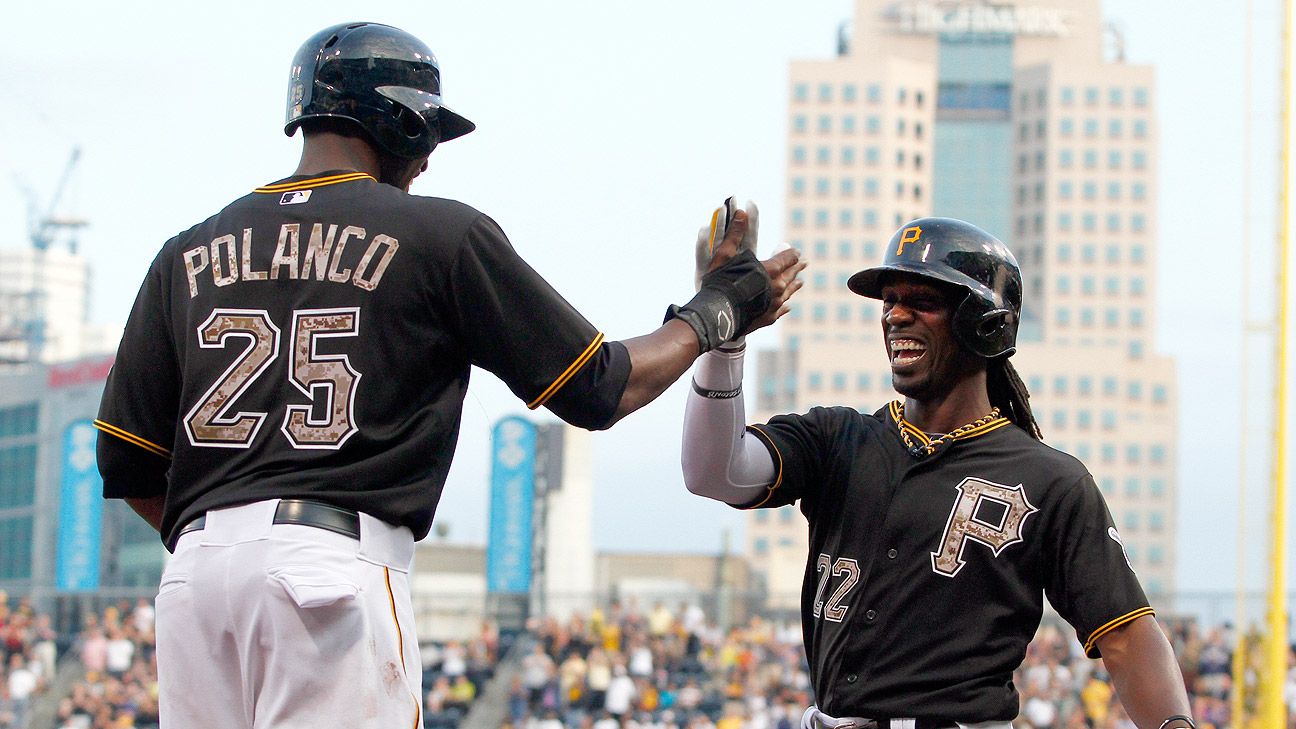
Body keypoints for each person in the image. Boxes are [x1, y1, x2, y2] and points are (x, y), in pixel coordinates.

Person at [93, 21, 802, 729]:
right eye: (427, 132)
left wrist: (233, 540)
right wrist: (716, 310)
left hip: (193, 577)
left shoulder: (184, 251)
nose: (428, 159)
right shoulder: (435, 235)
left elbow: (124, 460)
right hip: (329, 564)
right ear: (399, 121)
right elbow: (601, 387)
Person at [680, 217, 1193, 729]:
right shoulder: (838, 439)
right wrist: (724, 338)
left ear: (983, 321)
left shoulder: (1050, 480)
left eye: (922, 301)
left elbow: (1126, 635)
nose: (895, 316)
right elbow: (713, 471)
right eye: (889, 301)